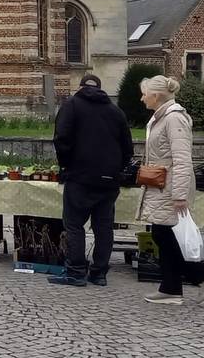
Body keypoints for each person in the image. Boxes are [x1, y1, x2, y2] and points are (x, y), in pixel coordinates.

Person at [137, 76, 204, 305]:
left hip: (170, 186)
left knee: (167, 235)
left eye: (145, 93)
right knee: (162, 233)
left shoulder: (174, 119)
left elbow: (182, 159)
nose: (142, 97)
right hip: (162, 185)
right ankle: (171, 288)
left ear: (156, 96)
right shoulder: (162, 118)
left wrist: (179, 194)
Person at [46, 75, 132, 288]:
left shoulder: (72, 105)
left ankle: (76, 272)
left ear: (81, 87)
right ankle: (99, 273)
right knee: (104, 228)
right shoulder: (116, 111)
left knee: (74, 224)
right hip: (109, 180)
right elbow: (128, 148)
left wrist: (67, 165)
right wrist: (115, 169)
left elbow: (61, 139)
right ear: (100, 88)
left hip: (80, 176)